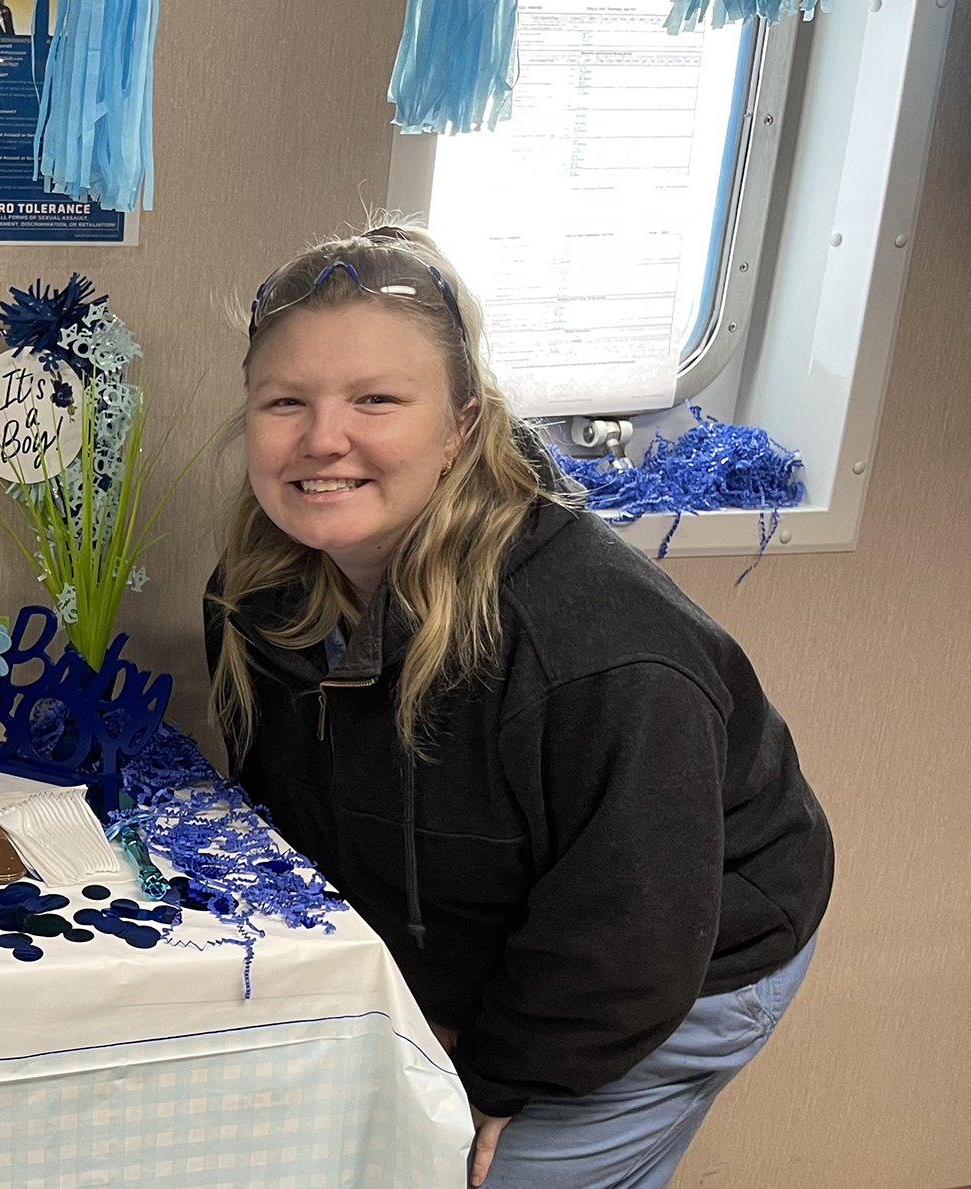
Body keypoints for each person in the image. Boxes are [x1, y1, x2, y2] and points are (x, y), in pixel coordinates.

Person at [203, 225, 833, 1189]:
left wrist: (495, 1072)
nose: (323, 438)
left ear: (461, 426)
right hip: (511, 926)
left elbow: (633, 934)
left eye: (376, 399)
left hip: (671, 959)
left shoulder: (596, 653)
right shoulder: (258, 598)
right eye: (286, 401)